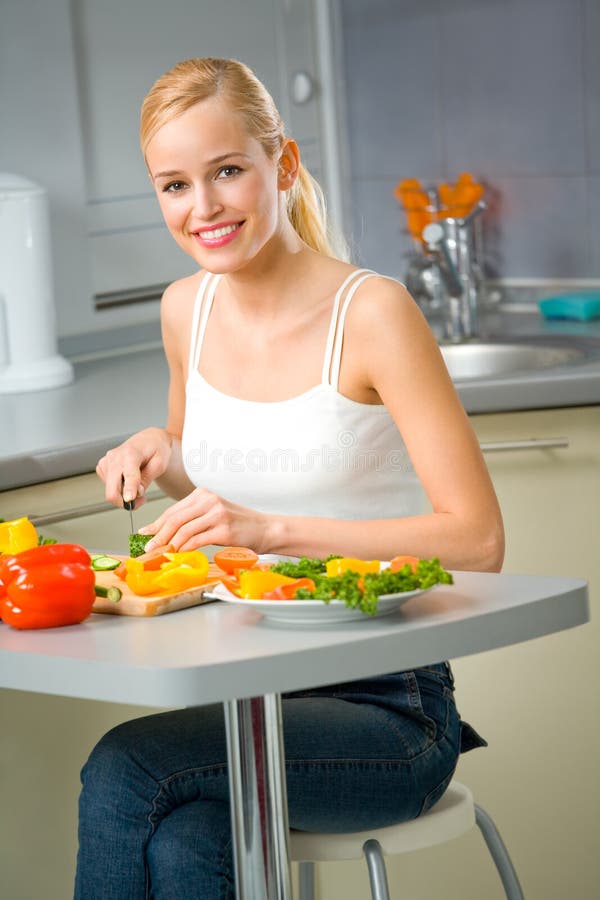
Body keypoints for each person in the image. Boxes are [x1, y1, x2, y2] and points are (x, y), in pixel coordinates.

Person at [75, 57, 504, 899]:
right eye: (173, 185)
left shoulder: (371, 314)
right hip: (250, 693)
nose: (202, 209)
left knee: (129, 765)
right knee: (188, 835)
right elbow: (211, 480)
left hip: (390, 709)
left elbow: (477, 539)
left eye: (227, 171)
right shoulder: (184, 310)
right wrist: (157, 449)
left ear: (285, 164)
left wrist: (270, 532)